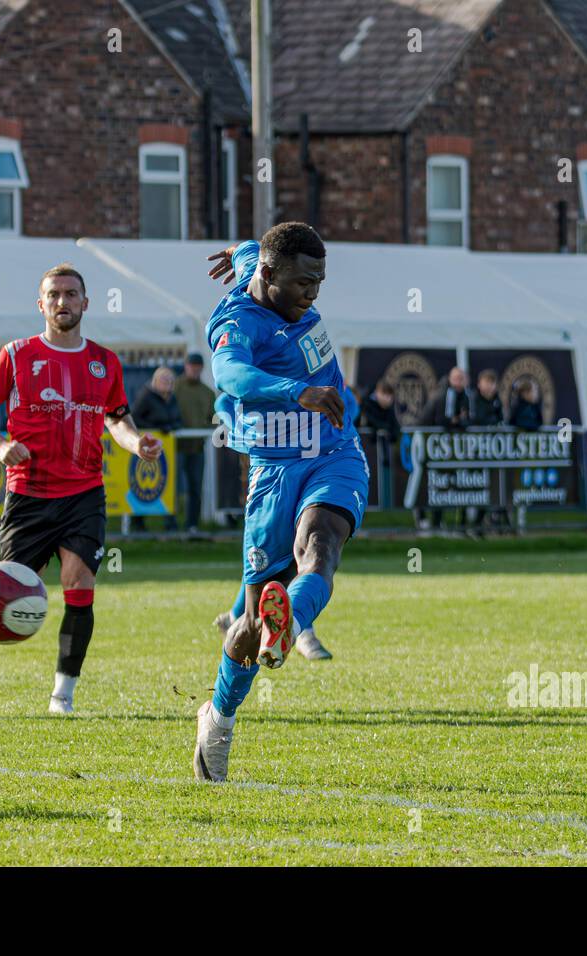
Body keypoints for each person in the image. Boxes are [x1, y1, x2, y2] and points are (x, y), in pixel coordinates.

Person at [194, 221, 367, 781]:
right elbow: (233, 374)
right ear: (269, 277)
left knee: (320, 547)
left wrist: (237, 248)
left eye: (320, 282)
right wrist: (299, 391)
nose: (313, 294)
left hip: (334, 452)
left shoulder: (259, 263)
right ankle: (218, 720)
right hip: (273, 470)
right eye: (303, 284)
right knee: (246, 626)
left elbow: (252, 247)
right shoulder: (237, 323)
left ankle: (289, 621)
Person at [0, 263, 160, 716]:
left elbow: (117, 419)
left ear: (85, 303)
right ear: (41, 304)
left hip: (84, 493)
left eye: (71, 294)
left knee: (79, 584)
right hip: (28, 494)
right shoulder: (17, 355)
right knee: (13, 592)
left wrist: (136, 443)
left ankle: (63, 694)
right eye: (53, 295)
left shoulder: (105, 361)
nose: (62, 302)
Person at [210, 391, 333, 662]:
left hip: (308, 472)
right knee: (270, 560)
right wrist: (251, 432)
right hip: (269, 473)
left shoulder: (301, 379)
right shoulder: (248, 386)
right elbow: (223, 405)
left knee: (297, 551)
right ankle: (297, 632)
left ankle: (245, 618)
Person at [417, 367, 472, 531]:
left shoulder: (465, 396)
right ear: (450, 378)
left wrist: (460, 421)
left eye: (461, 378)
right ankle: (430, 521)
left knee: (451, 485)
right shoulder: (445, 395)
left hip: (449, 450)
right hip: (434, 448)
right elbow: (443, 421)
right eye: (456, 378)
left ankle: (448, 523)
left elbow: (467, 420)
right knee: (433, 485)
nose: (459, 381)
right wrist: (457, 421)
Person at [131, 365, 182, 532]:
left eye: (170, 380)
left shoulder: (172, 398)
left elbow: (178, 419)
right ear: (155, 380)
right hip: (148, 449)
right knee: (141, 483)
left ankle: (170, 523)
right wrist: (156, 428)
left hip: (167, 451)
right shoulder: (146, 396)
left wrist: (170, 426)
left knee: (168, 484)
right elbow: (134, 419)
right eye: (163, 379)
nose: (167, 383)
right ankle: (137, 524)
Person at [174, 353, 216, 535]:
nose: (194, 370)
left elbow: (214, 418)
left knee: (195, 488)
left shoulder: (207, 392)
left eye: (198, 367)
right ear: (185, 366)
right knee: (173, 489)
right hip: (175, 447)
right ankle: (171, 524)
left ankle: (192, 524)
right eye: (192, 366)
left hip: (197, 448)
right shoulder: (175, 387)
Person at [360, 379, 400, 510]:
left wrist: (391, 431)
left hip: (381, 450)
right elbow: (372, 422)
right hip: (366, 449)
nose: (388, 399)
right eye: (385, 395)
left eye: (390, 396)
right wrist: (385, 428)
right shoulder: (366, 402)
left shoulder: (389, 407)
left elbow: (394, 424)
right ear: (377, 393)